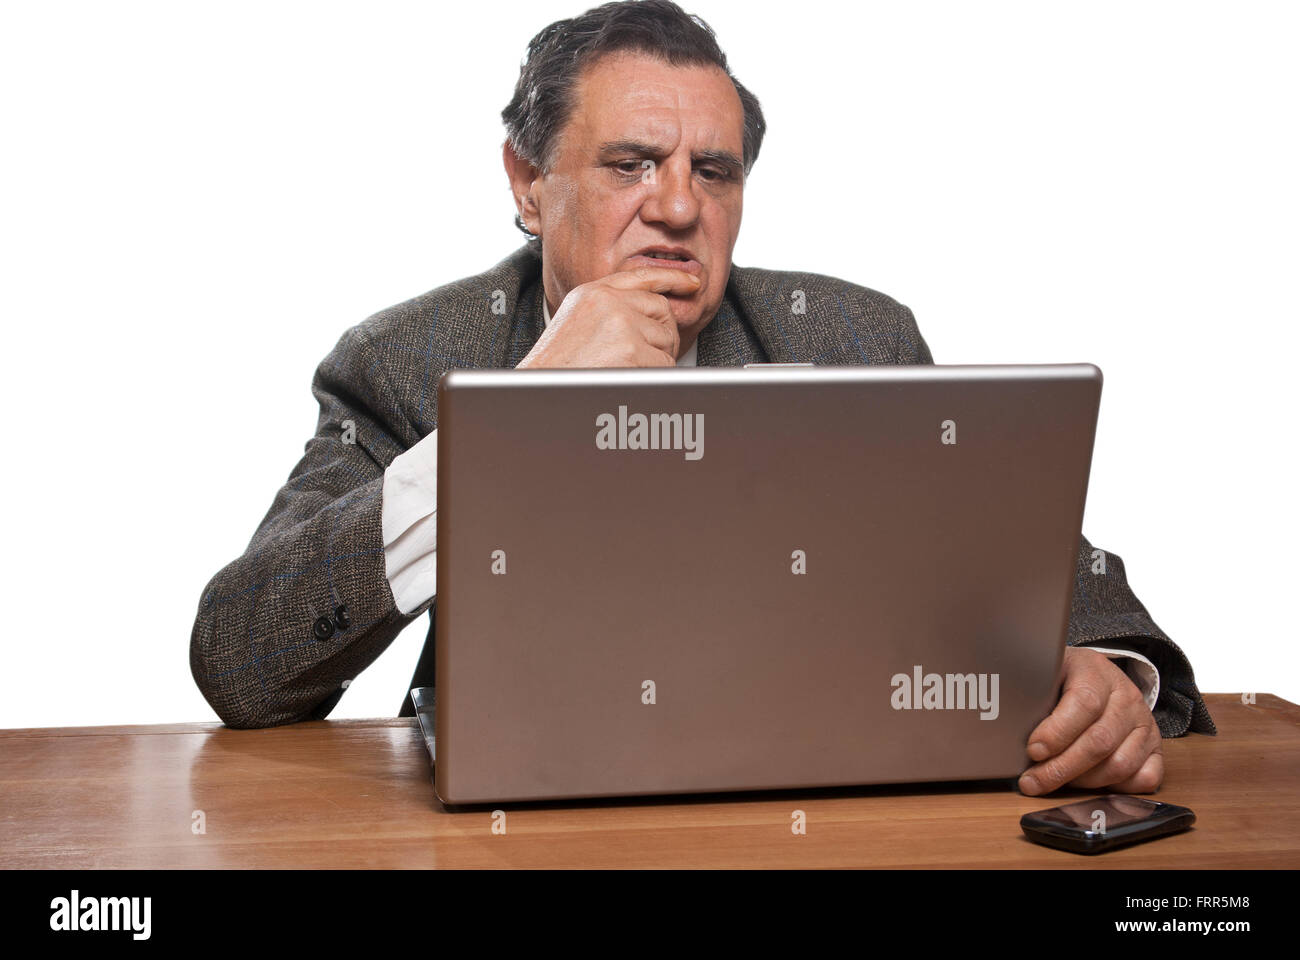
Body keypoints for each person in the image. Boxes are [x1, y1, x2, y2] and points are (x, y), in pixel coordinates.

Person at [190, 0, 1215, 797]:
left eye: (712, 173)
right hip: (520, 829)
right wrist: (515, 416)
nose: (678, 207)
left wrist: (1108, 678)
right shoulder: (411, 357)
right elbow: (241, 661)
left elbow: (1066, 583)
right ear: (526, 182)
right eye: (631, 164)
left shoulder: (852, 338)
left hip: (823, 811)